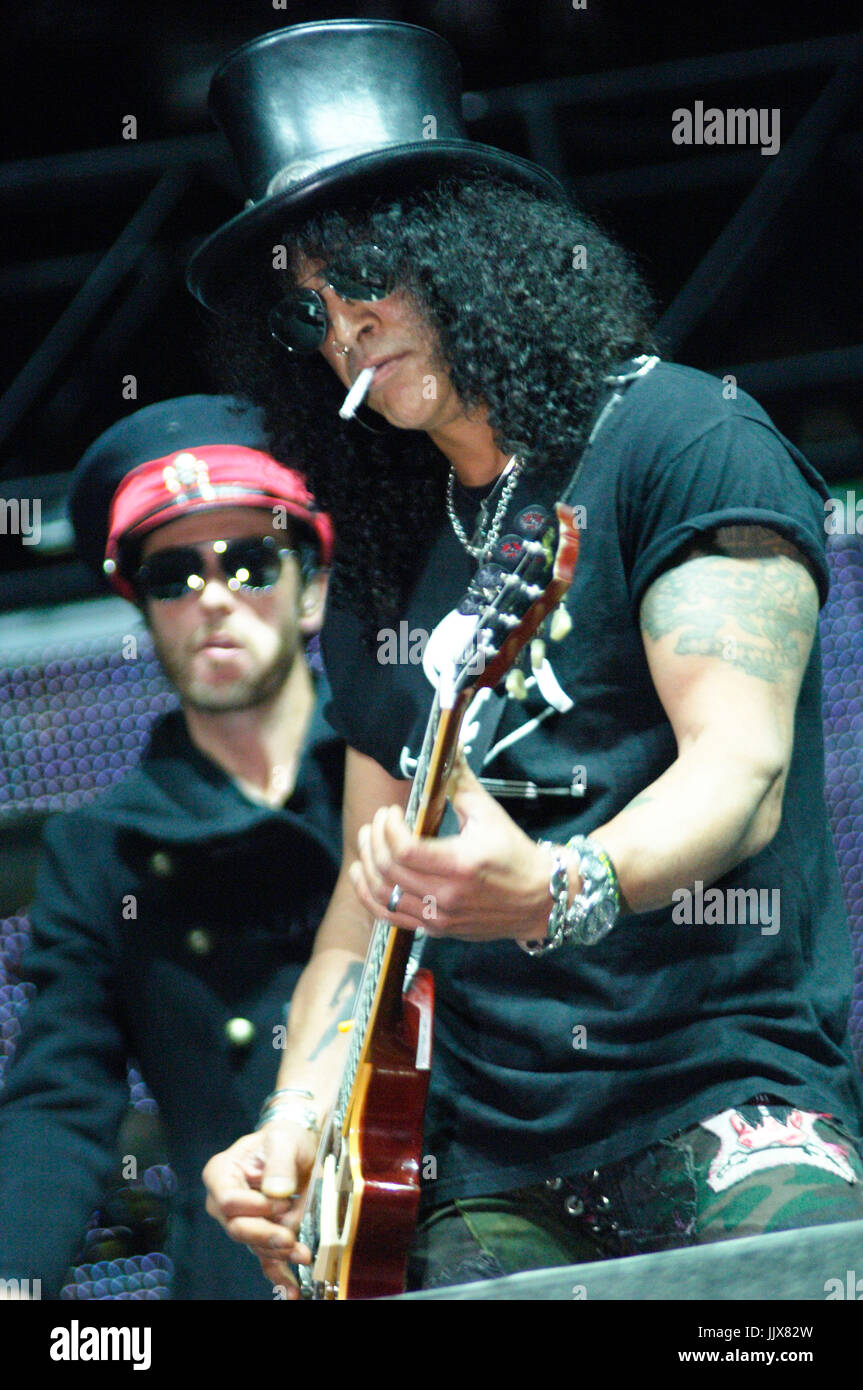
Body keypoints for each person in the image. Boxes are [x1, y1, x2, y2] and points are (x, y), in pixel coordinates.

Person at [191, 22, 863, 1296]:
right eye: (307, 308)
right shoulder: (388, 551)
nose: (342, 323)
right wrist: (296, 1125)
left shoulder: (679, 437)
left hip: (713, 1087)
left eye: (367, 272)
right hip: (479, 1154)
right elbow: (365, 891)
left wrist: (560, 886)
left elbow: (741, 771)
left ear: (468, 248)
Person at [0, 395, 341, 1300]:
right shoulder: (99, 850)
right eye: (172, 576)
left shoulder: (402, 775)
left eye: (250, 561)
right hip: (239, 1278)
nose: (214, 596)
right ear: (142, 610)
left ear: (312, 588)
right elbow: (60, 1104)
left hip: (457, 1248)